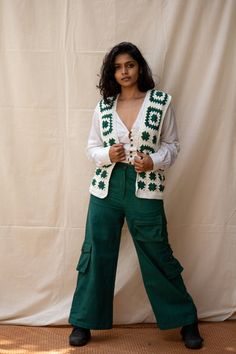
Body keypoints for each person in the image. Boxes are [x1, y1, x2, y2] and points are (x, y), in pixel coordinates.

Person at [68, 42, 203, 349]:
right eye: (117, 67)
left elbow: (173, 145)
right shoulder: (103, 106)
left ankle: (186, 320)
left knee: (157, 253)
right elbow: (91, 148)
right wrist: (108, 154)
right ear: (111, 72)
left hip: (145, 188)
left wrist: (152, 161)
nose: (124, 71)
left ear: (139, 67)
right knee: (95, 252)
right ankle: (83, 321)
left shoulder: (160, 102)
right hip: (106, 188)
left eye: (129, 65)